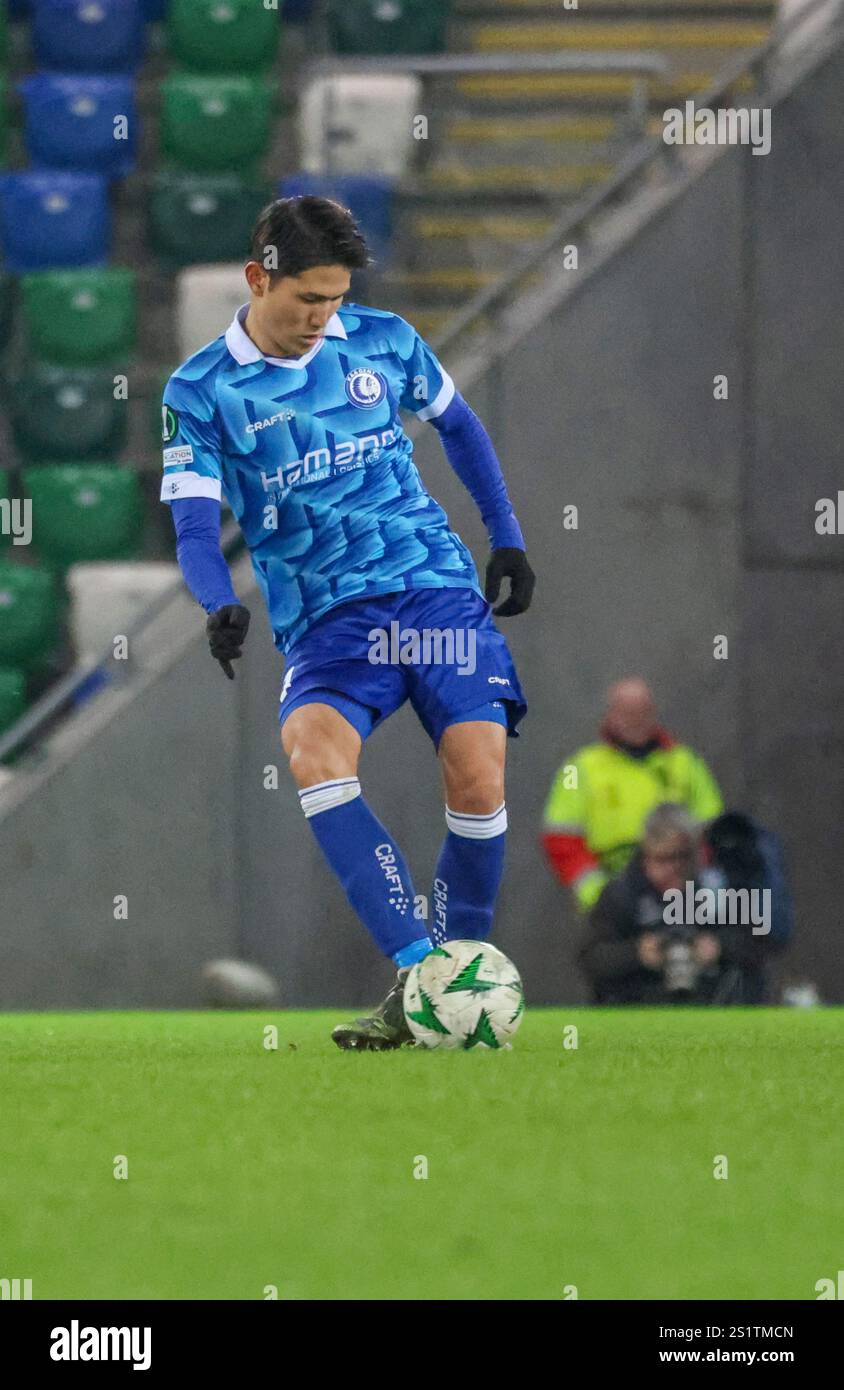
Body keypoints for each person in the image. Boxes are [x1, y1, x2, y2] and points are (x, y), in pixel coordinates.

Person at [160, 196, 534, 1050]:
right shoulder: (201, 391)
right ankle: (419, 974)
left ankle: (459, 973)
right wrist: (216, 598)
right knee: (312, 749)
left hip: (432, 589)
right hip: (328, 619)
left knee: (478, 775)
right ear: (260, 279)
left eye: (334, 299)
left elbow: (461, 429)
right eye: (306, 300)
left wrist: (506, 537)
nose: (322, 318)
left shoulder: (384, 339)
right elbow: (191, 522)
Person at [541, 677, 723, 913]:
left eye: (642, 712)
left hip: (681, 893)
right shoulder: (579, 769)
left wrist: (694, 884)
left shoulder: (685, 762)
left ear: (654, 712)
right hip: (614, 892)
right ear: (610, 715)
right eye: (627, 713)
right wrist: (599, 895)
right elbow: (561, 840)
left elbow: (712, 829)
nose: (636, 721)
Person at [578, 803, 789, 1004]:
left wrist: (719, 947)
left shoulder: (718, 887)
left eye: (682, 857)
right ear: (646, 857)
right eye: (663, 859)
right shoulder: (623, 895)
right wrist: (636, 953)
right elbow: (591, 958)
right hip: (641, 1005)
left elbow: (767, 939)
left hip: (713, 1004)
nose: (674, 867)